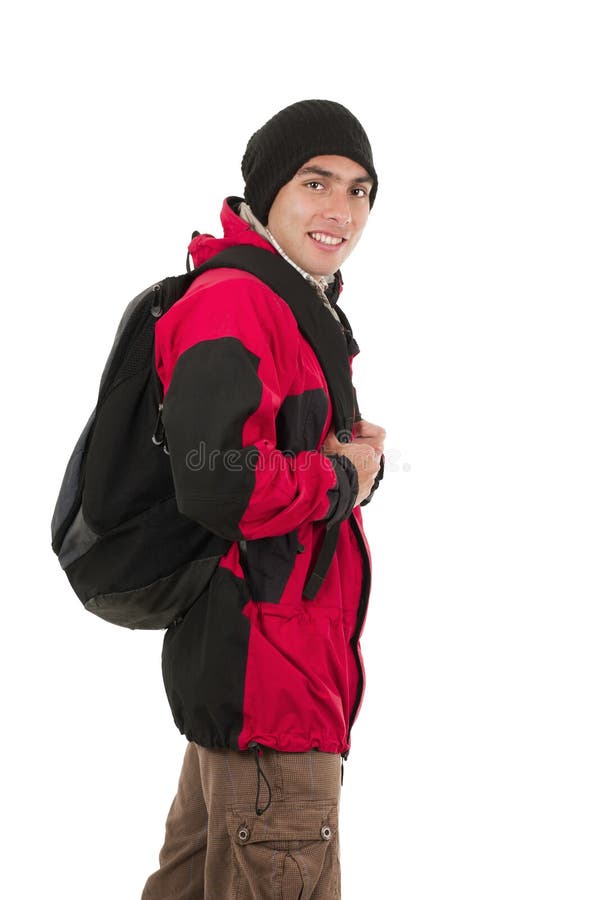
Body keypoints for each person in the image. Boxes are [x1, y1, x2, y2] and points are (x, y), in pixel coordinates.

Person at [141, 98, 385, 900]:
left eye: (358, 190)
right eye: (316, 182)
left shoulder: (288, 300)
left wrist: (334, 461)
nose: (339, 210)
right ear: (268, 191)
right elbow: (221, 479)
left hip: (256, 684)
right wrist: (345, 476)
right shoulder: (240, 300)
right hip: (273, 696)